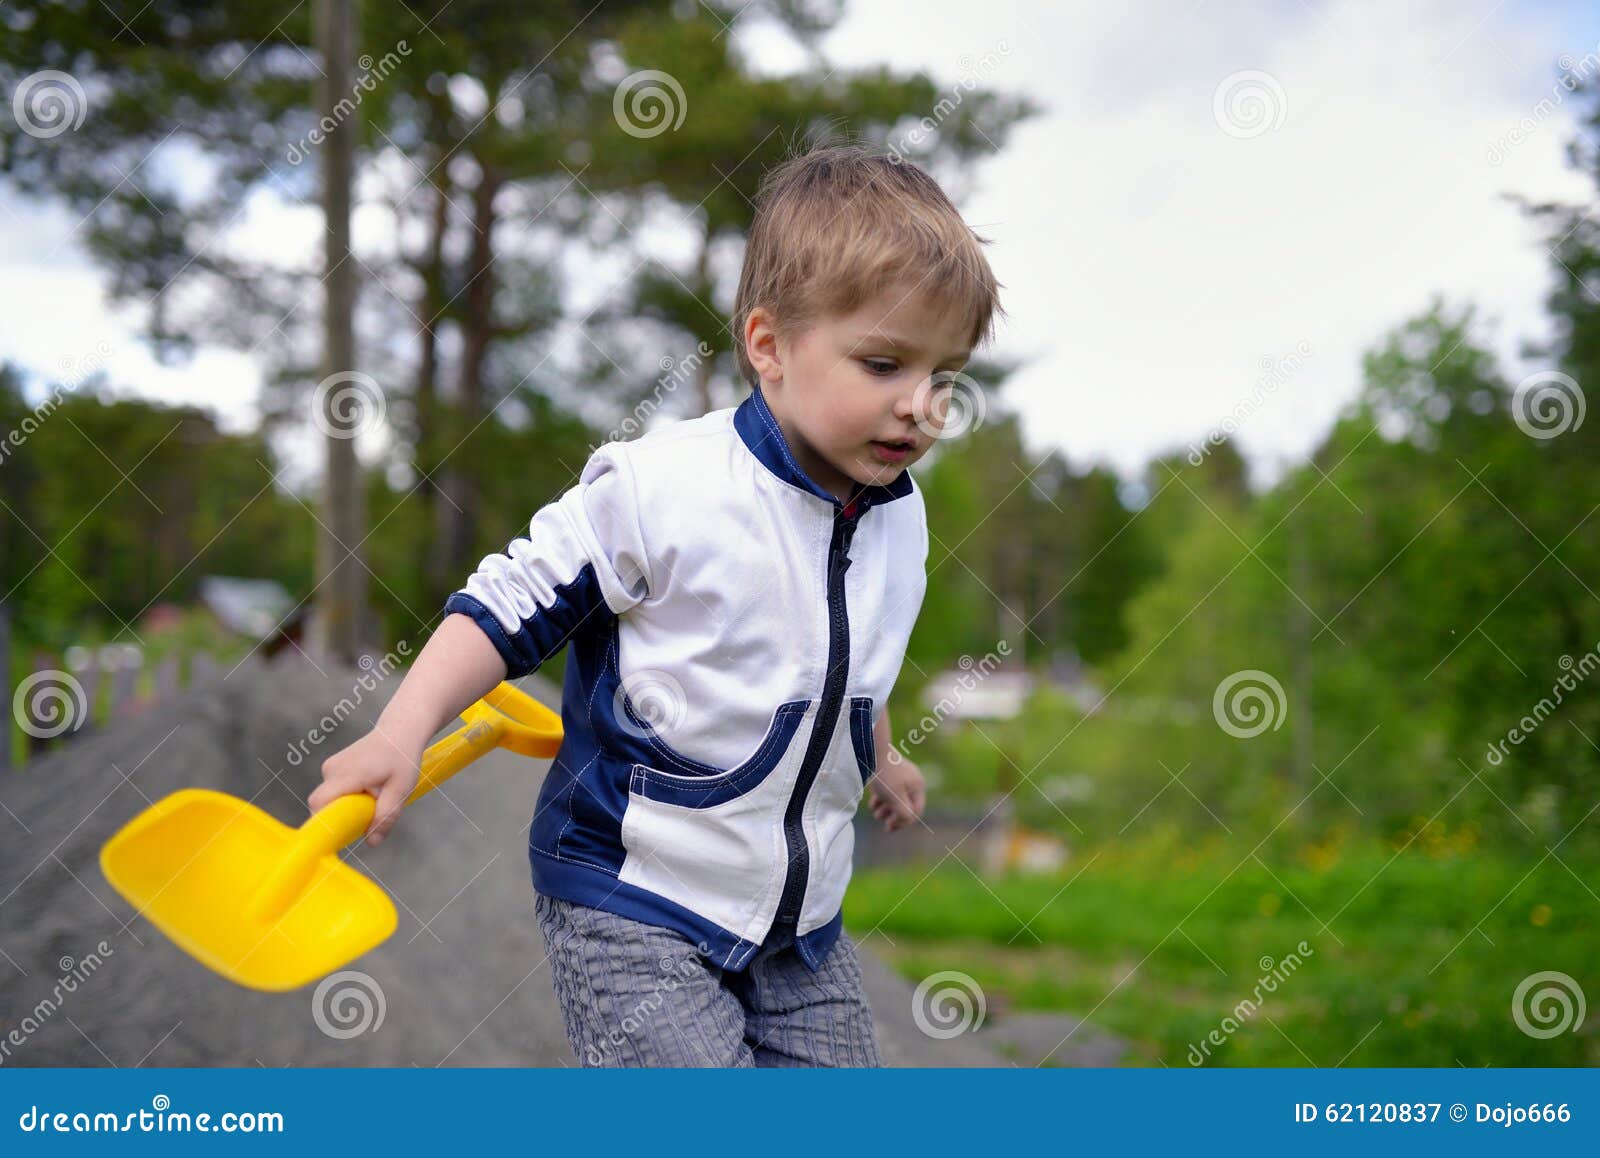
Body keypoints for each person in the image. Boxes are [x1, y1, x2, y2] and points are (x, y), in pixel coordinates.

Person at [309, 142, 1004, 1066]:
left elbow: (843, 660)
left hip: (799, 925)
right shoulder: (662, 489)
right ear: (769, 346)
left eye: (944, 376)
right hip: (636, 897)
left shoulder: (900, 520)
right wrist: (400, 734)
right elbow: (506, 604)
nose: (922, 406)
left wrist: (878, 753)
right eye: (883, 364)